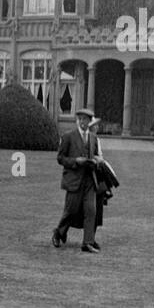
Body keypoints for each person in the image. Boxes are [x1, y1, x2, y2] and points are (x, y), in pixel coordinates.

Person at [54, 108, 105, 252]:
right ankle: (59, 233)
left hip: (90, 179)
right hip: (74, 180)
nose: (83, 122)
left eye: (86, 119)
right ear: (78, 120)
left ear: (90, 121)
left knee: (91, 211)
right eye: (80, 119)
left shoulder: (94, 139)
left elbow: (98, 156)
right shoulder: (68, 136)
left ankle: (87, 242)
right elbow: (60, 158)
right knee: (70, 211)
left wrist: (96, 160)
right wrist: (76, 161)